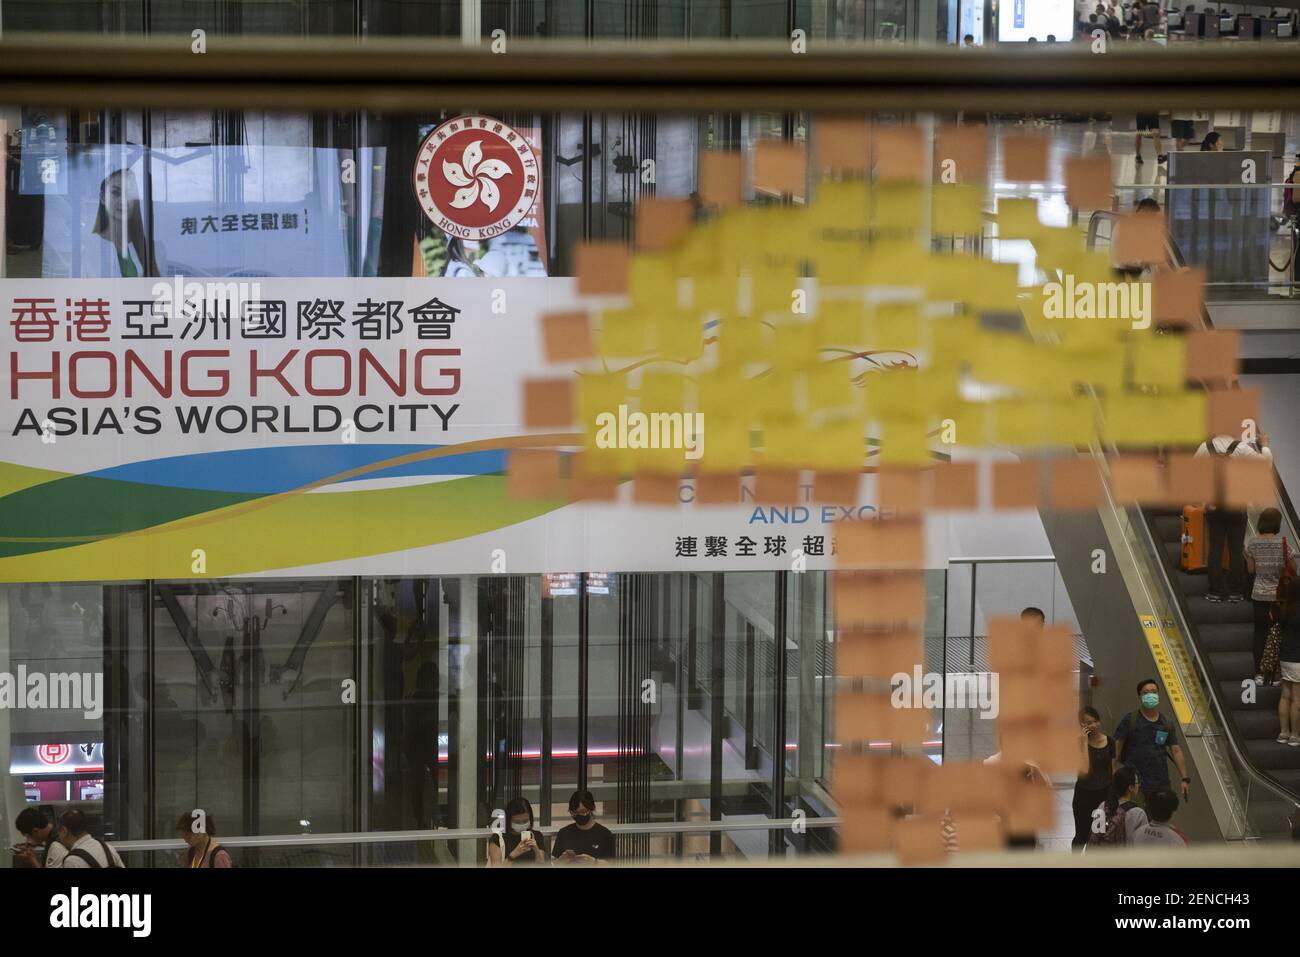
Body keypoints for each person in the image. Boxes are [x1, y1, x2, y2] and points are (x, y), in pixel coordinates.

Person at [1194, 431, 1273, 603]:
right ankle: (1235, 592)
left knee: (1215, 550)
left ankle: (1214, 591)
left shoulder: (1205, 447)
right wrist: (1265, 445)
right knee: (1235, 551)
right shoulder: (1242, 447)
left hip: (1214, 506)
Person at [1114, 679, 1191, 803]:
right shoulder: (1130, 720)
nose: (1150, 695)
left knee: (1161, 817)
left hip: (1160, 781)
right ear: (1139, 696)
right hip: (1134, 783)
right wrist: (1112, 773)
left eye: (1154, 692)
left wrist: (1184, 778)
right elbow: (1117, 748)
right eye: (1146, 692)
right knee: (1137, 818)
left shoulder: (1166, 722)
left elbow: (1175, 750)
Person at [1246, 507, 1294, 683]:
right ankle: (1274, 674)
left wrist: (1248, 556)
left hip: (1259, 595)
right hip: (1278, 597)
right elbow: (1291, 569)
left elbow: (1251, 570)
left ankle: (1258, 673)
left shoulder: (1253, 543)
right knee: (1277, 634)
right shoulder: (1283, 544)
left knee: (1260, 633)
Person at [92, 168, 159, 277]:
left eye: (129, 194)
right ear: (103, 197)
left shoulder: (155, 249)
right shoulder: (87, 247)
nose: (123, 201)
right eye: (115, 193)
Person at [1073, 706, 1115, 850]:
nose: (1094, 725)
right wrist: (1084, 743)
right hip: (1083, 796)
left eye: (1096, 721)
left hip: (1103, 796)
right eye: (1089, 722)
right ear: (1082, 725)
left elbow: (1112, 771)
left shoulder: (1110, 742)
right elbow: (1084, 772)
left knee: (1100, 836)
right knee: (1082, 836)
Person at [550, 790, 615, 864]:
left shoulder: (604, 834)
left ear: (591, 809)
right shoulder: (564, 833)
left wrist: (594, 862)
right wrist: (561, 861)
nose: (579, 815)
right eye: (574, 813)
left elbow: (611, 864)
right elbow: (554, 862)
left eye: (583, 812)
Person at [1090, 766, 1147, 846]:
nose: (1139, 785)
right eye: (1137, 783)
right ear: (1131, 787)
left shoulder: (1103, 806)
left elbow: (1094, 838)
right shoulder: (1138, 814)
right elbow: (1141, 844)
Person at [51, 810, 124, 868]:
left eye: (59, 832)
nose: (59, 837)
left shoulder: (73, 860)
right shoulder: (109, 849)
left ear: (64, 831)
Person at [487, 796, 547, 866]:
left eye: (525, 821)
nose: (522, 824)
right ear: (509, 820)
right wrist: (513, 854)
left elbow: (541, 865)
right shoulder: (498, 839)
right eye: (517, 821)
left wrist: (536, 849)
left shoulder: (536, 836)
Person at [1276, 577, 1300, 745]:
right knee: (1297, 699)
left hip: (1285, 656)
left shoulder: (1284, 609)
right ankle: (1295, 735)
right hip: (1298, 658)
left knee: (1285, 696)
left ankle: (1283, 732)